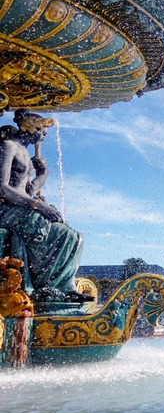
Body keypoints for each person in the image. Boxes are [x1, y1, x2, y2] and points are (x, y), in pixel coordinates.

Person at [0, 110, 88, 301]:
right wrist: (39, 206)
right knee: (61, 234)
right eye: (43, 131)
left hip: (22, 207)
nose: (45, 136)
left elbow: (27, 190)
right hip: (6, 210)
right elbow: (3, 188)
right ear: (32, 126)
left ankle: (63, 286)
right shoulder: (8, 146)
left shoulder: (23, 151)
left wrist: (43, 174)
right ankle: (45, 287)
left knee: (74, 236)